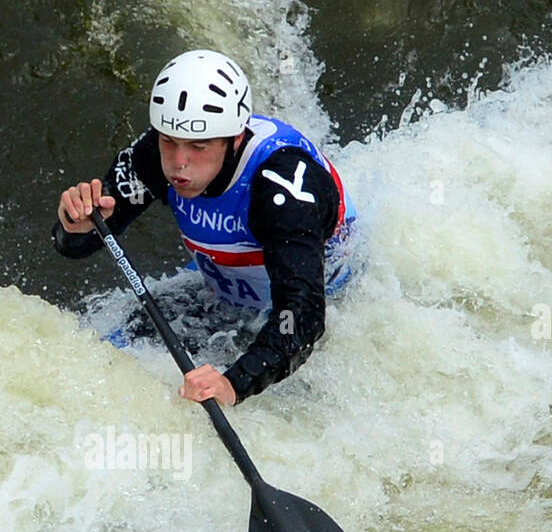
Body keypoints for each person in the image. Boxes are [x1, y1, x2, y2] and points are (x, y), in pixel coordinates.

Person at [51, 49, 358, 407]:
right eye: (169, 141)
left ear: (236, 139)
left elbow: (302, 317)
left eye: (199, 146)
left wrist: (233, 384)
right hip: (224, 295)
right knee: (108, 352)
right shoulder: (152, 154)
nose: (179, 163)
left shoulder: (282, 191)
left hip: (326, 306)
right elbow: (75, 245)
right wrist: (75, 224)